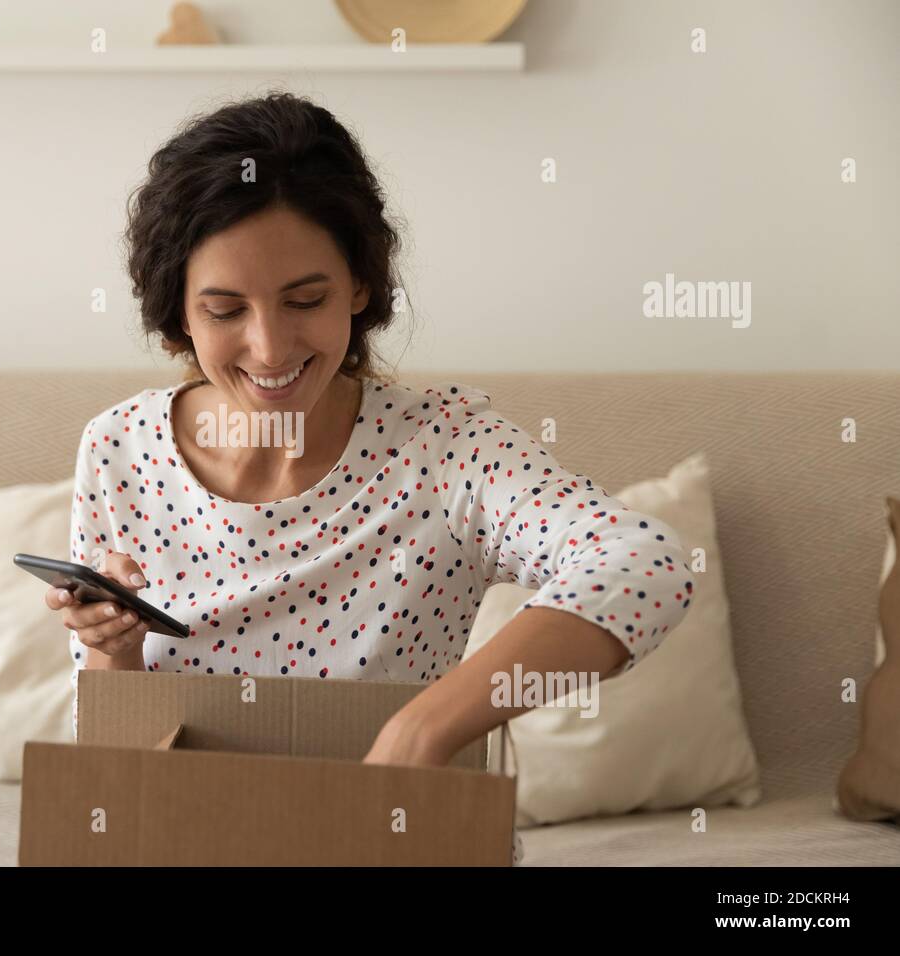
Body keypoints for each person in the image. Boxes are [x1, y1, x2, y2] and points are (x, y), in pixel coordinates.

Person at [45, 91, 693, 766]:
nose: (268, 347)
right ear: (179, 313)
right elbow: (109, 775)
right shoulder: (121, 447)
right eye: (225, 310)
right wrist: (109, 650)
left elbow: (644, 565)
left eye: (306, 299)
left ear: (359, 285)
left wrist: (423, 729)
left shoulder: (447, 447)